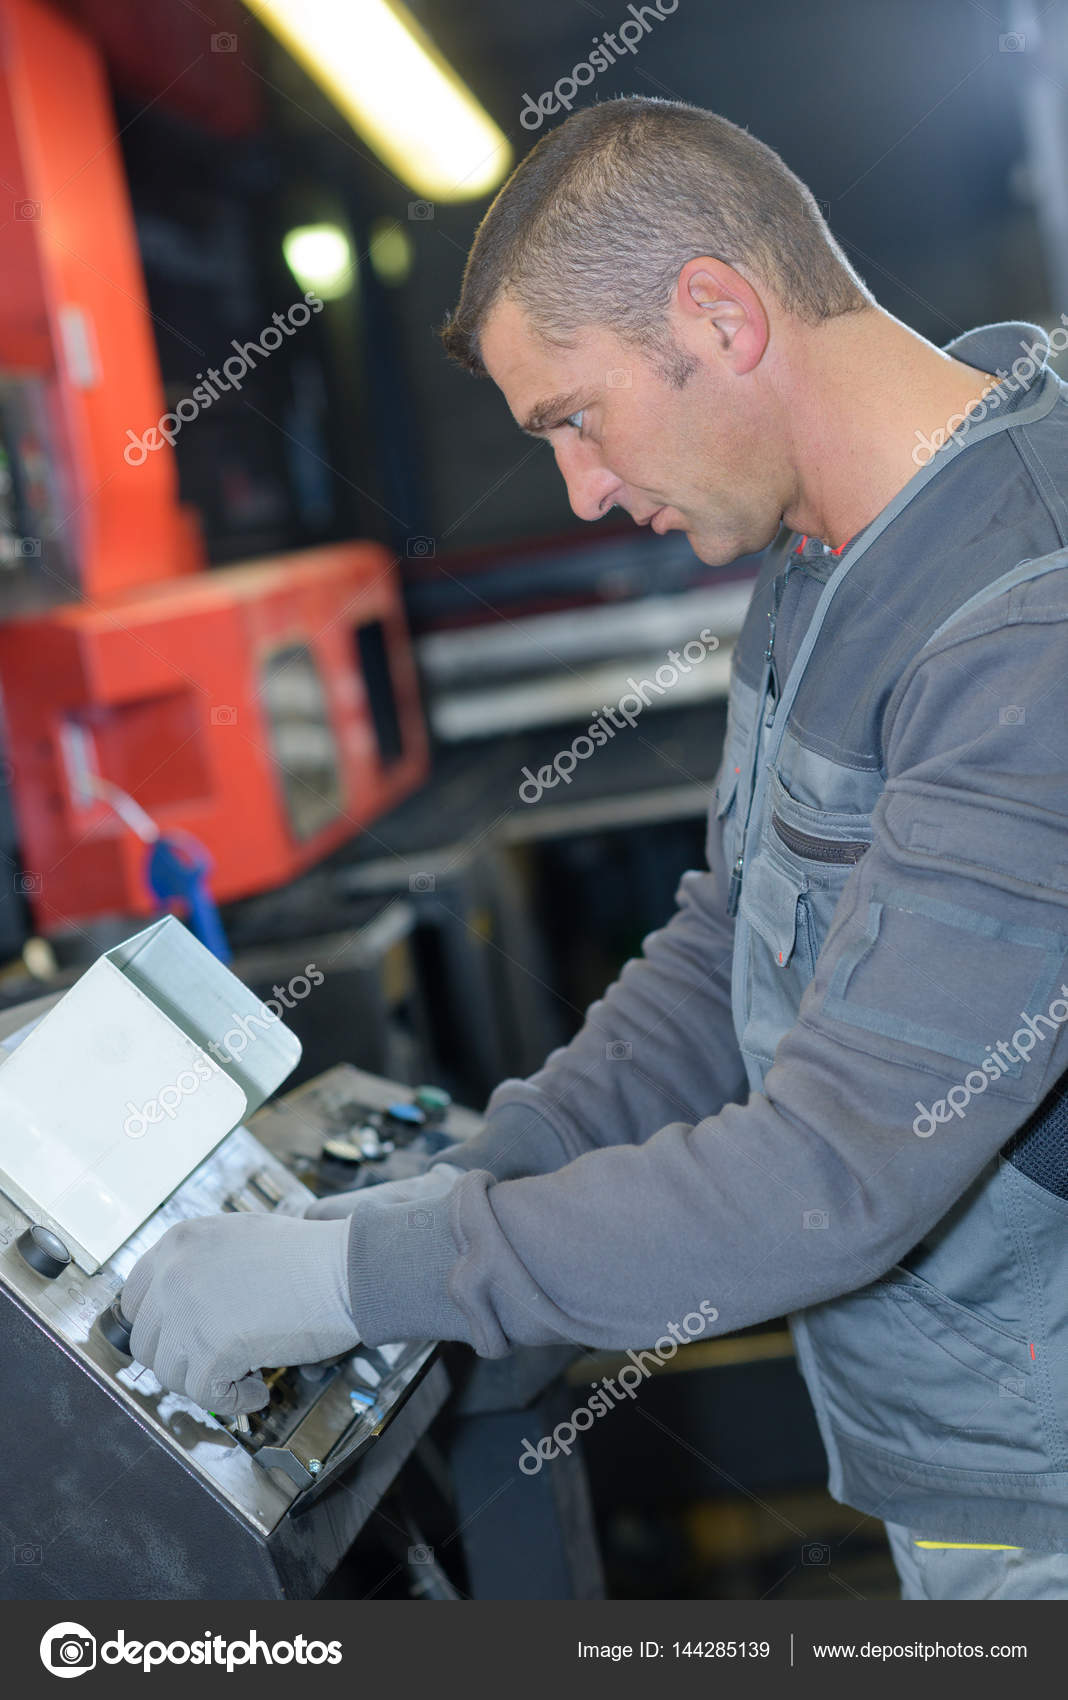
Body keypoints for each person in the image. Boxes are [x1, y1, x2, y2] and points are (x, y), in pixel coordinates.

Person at [124, 97, 1068, 1602]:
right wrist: (461, 1188)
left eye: (576, 417)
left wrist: (363, 1278)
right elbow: (724, 955)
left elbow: (828, 1176)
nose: (582, 490)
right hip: (969, 1462)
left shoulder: (1028, 623)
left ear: (717, 313)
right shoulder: (832, 550)